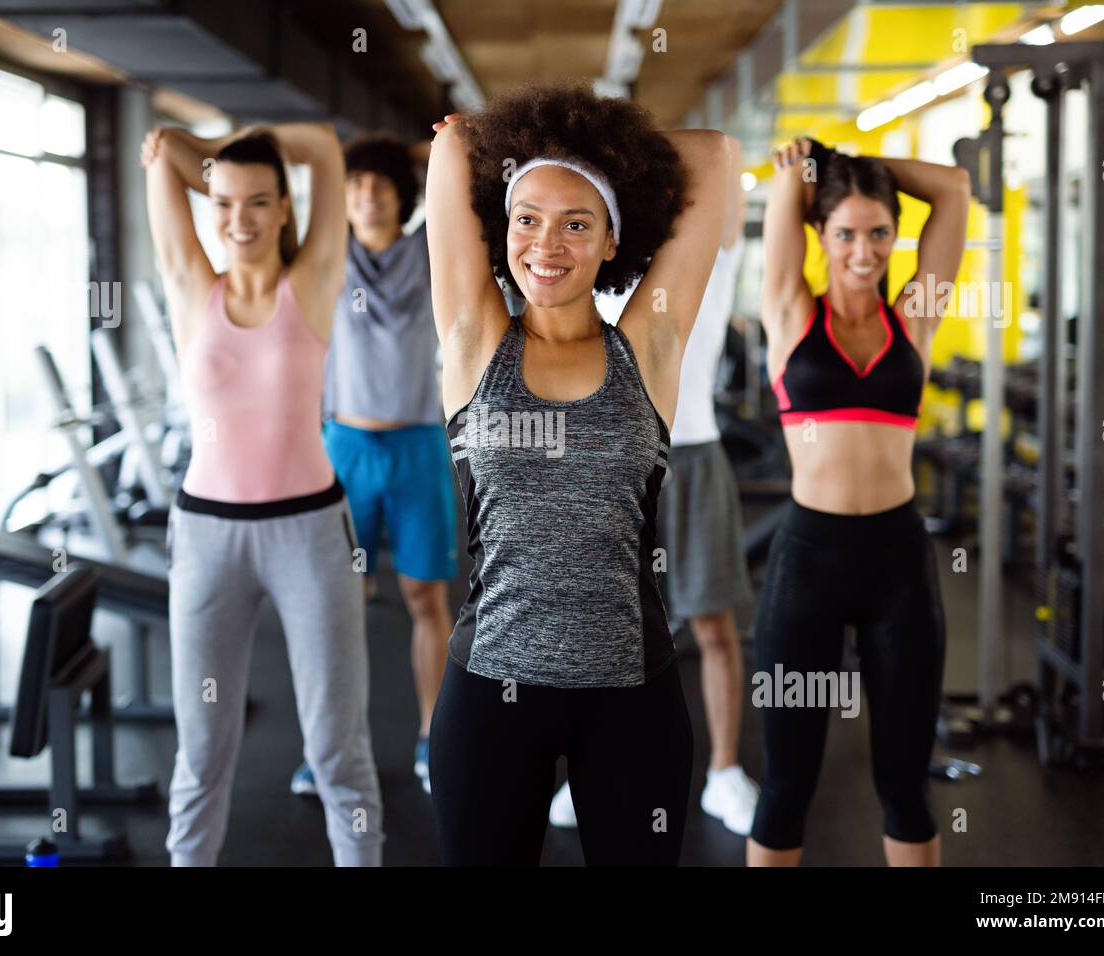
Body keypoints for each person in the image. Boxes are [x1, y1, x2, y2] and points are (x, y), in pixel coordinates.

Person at [424, 82, 732, 865]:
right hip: (491, 688)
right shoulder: (472, 340)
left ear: (610, 242)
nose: (546, 244)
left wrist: (594, 149)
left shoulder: (650, 345)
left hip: (630, 696)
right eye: (526, 219)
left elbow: (717, 157)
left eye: (576, 223)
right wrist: (481, 143)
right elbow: (451, 153)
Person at [141, 122, 383, 866]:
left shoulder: (312, 282)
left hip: (310, 535)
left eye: (258, 203)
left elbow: (323, 150)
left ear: (286, 209)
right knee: (203, 750)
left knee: (335, 746)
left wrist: (242, 145)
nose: (238, 220)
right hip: (207, 538)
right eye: (223, 204)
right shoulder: (190, 285)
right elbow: (159, 149)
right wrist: (216, 155)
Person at [749, 137, 969, 866]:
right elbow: (791, 183)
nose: (864, 250)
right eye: (845, 232)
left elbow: (955, 187)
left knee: (904, 785)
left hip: (898, 564)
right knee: (786, 787)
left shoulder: (917, 315)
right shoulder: (789, 310)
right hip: (807, 562)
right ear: (820, 235)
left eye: (880, 232)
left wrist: (855, 165)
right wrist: (812, 170)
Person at [549, 140, 761, 837]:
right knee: (593, 632)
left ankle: (724, 772)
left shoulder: (710, 261)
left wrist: (614, 130)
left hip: (693, 455)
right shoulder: (598, 272)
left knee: (715, 627)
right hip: (609, 462)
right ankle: (586, 778)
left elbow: (720, 168)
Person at [290, 134, 456, 797]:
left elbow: (456, 180)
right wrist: (351, 162)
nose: (366, 193)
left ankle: (431, 741)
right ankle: (329, 750)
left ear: (403, 193)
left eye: (380, 182)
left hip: (417, 445)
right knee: (338, 603)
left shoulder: (429, 250)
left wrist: (420, 151)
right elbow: (320, 173)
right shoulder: (328, 254)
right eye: (355, 183)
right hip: (343, 450)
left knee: (426, 597)